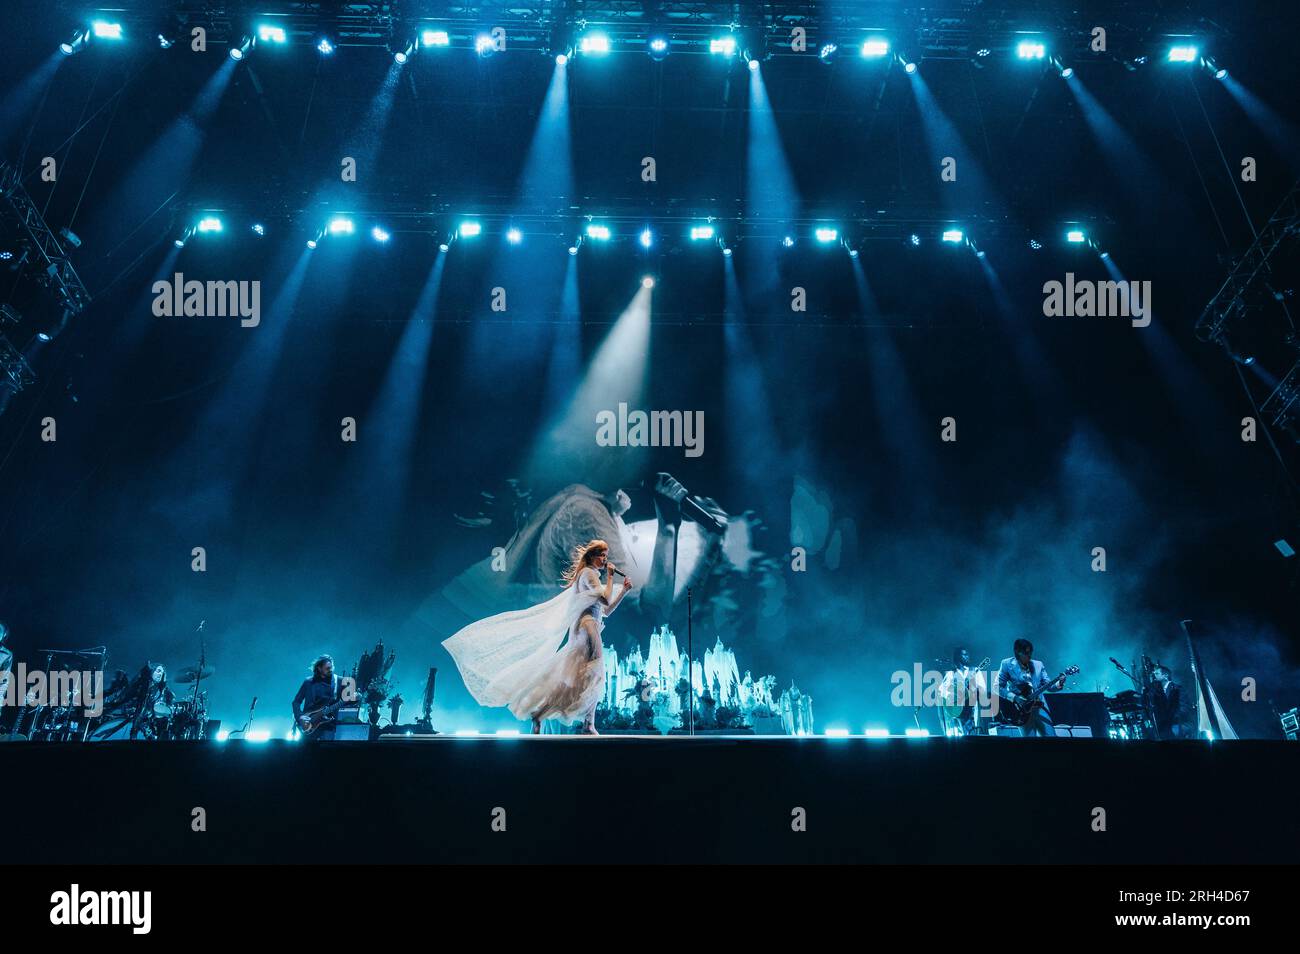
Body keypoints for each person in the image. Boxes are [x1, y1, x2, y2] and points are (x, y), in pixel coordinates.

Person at [442, 539, 633, 734]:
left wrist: (624, 591)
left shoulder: (590, 576)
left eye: (606, 556)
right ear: (592, 556)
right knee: (595, 673)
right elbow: (605, 598)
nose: (605, 559)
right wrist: (610, 577)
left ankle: (543, 714)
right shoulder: (588, 574)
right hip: (587, 628)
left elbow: (606, 610)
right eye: (602, 555)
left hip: (589, 627)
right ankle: (587, 724)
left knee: (578, 677)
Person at [996, 639, 1065, 738]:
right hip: (1021, 710)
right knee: (1029, 743)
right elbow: (998, 687)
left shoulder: (1038, 665)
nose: (1030, 655)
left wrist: (1059, 683)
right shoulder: (1006, 664)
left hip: (1040, 706)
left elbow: (1049, 687)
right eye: (1026, 653)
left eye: (1031, 652)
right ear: (1018, 653)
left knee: (1051, 738)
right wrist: (1015, 698)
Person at [292, 655, 346, 741]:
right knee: (306, 752)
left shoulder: (338, 681)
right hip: (308, 724)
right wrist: (300, 717)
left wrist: (356, 698)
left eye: (332, 667)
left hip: (328, 726)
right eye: (327, 668)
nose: (331, 670)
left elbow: (349, 701)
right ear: (319, 668)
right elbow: (296, 702)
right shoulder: (308, 682)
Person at [938, 647, 979, 736]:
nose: (967, 656)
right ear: (958, 657)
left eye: (967, 654)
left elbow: (982, 690)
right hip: (956, 711)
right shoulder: (950, 674)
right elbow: (943, 692)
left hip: (970, 711)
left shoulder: (975, 671)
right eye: (964, 654)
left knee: (971, 737)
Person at [1145, 665, 1184, 739]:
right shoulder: (1156, 692)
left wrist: (1174, 721)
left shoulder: (1177, 689)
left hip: (1175, 725)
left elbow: (1184, 707)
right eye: (1154, 674)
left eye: (1157, 674)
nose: (1154, 676)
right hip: (1161, 727)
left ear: (1165, 675)